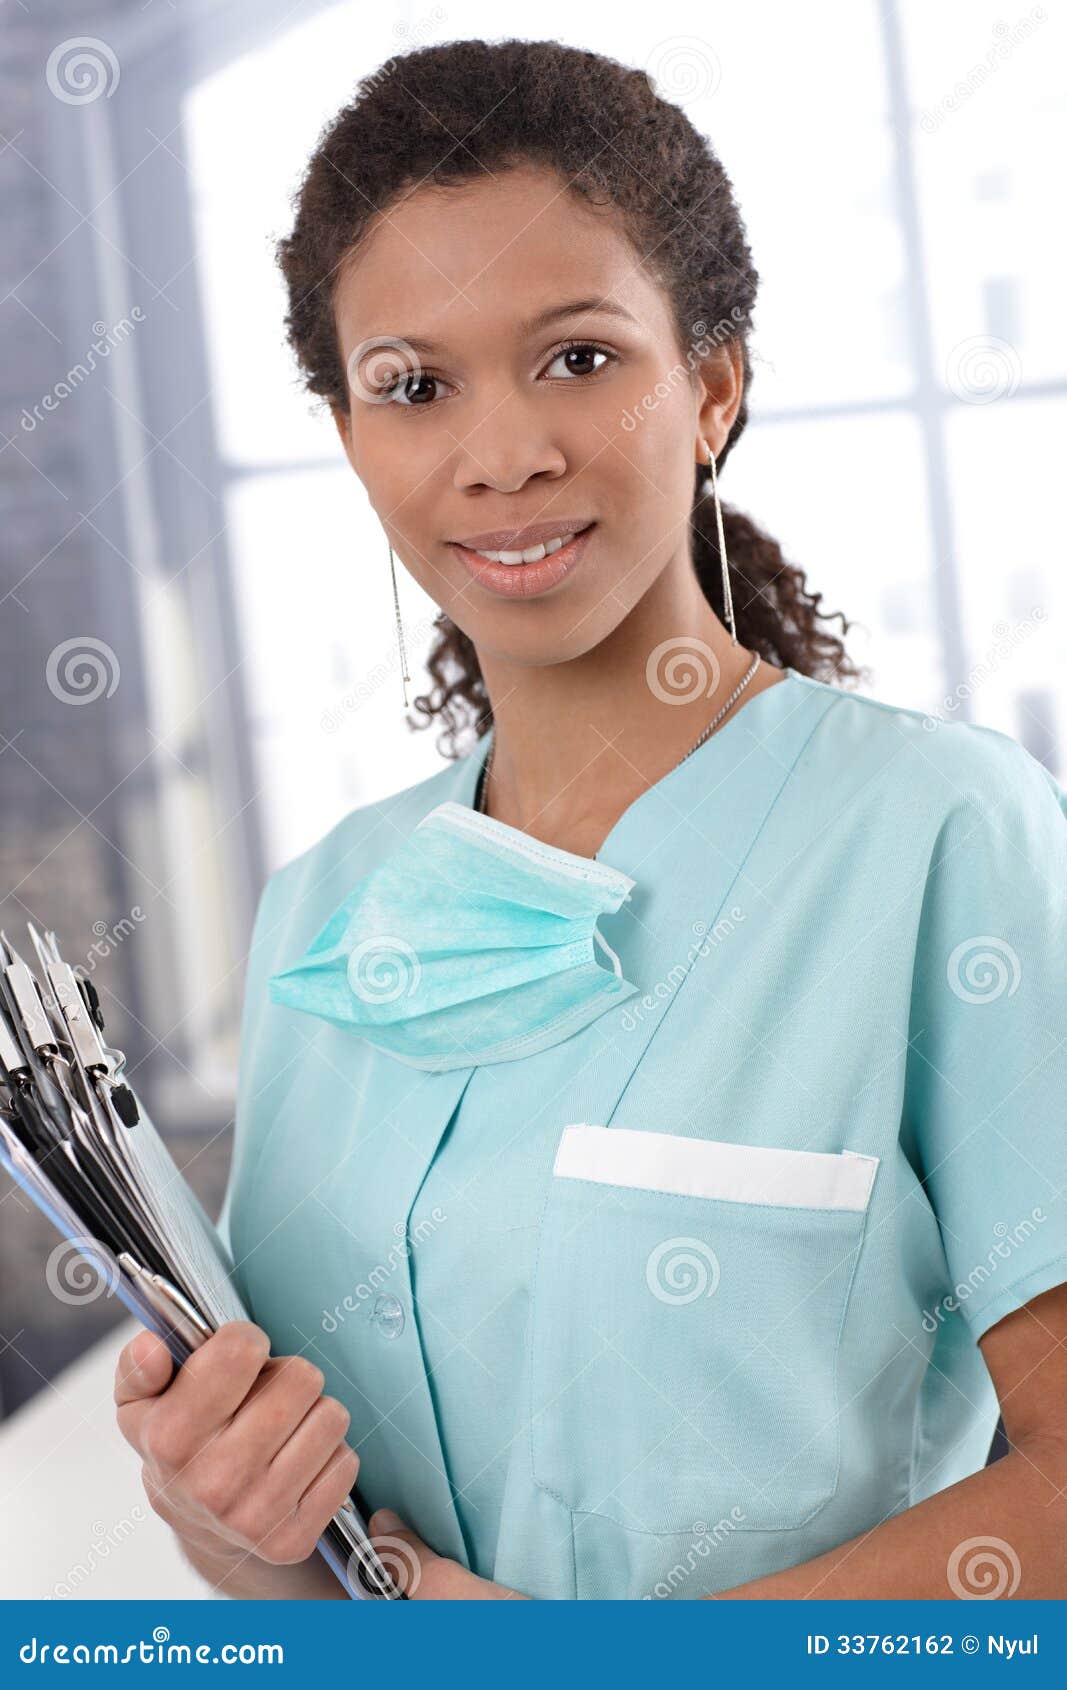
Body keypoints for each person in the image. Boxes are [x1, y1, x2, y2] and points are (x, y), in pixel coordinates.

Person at [114, 38, 1067, 1601]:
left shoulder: (946, 839)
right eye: (412, 386)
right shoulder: (326, 913)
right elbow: (338, 1576)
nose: (504, 455)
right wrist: (226, 1512)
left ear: (711, 383)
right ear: (353, 436)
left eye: (578, 357)